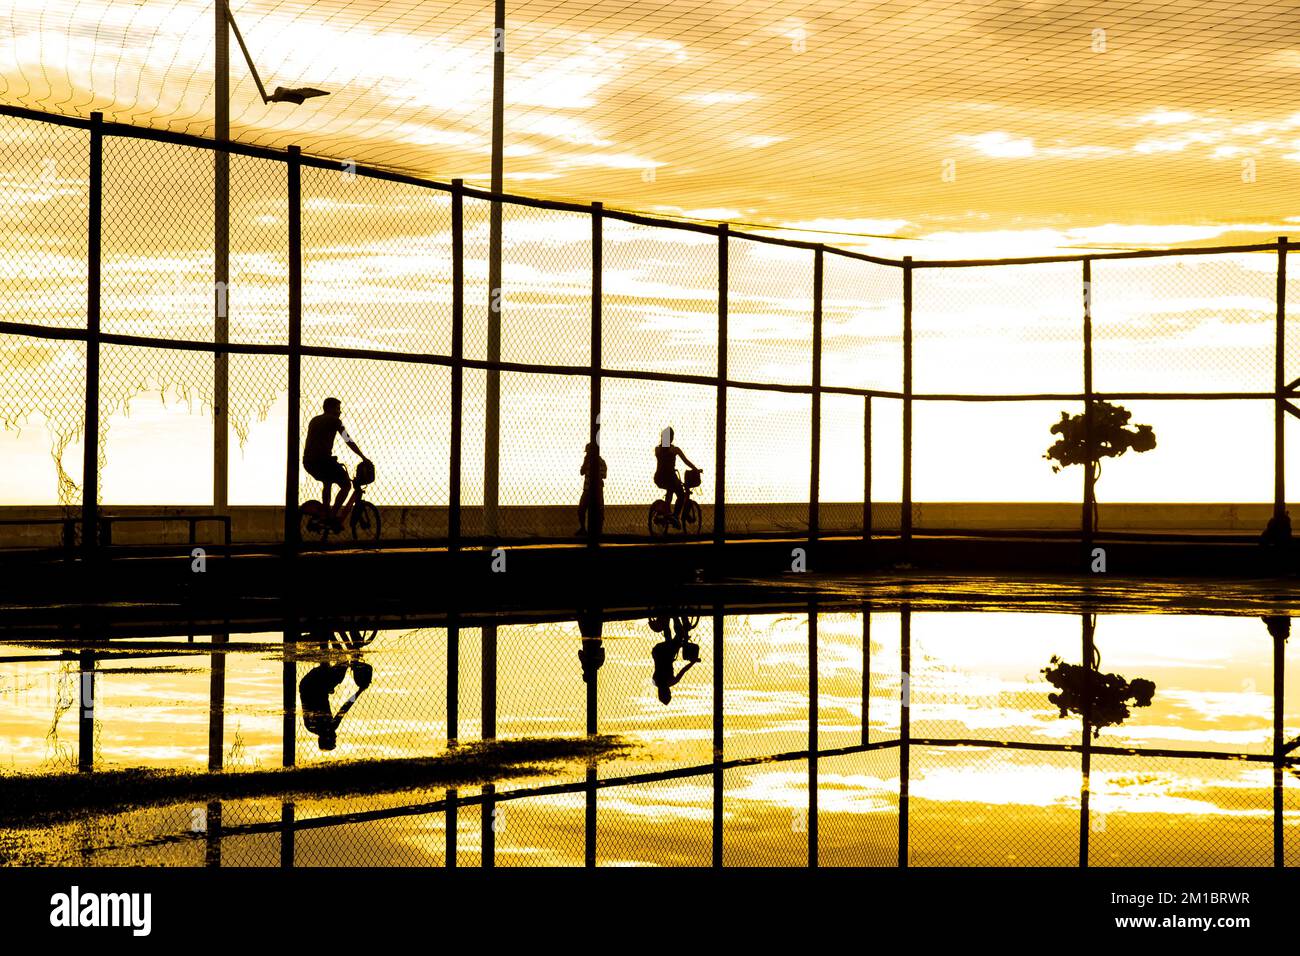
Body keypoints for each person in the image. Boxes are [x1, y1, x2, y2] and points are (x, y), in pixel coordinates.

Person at [303, 397, 369, 530]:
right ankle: (332, 516)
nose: (340, 412)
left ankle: (326, 514)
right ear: (329, 408)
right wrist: (363, 456)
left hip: (309, 461)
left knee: (327, 481)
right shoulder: (334, 421)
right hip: (323, 460)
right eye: (338, 408)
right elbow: (348, 440)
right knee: (346, 485)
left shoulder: (314, 420)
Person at [653, 427, 699, 528]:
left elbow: (663, 457)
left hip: (659, 477)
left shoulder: (657, 449)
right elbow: (686, 461)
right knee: (681, 495)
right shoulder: (674, 450)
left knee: (670, 490)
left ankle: (664, 512)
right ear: (671, 438)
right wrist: (695, 469)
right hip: (670, 477)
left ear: (662, 437)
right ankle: (675, 516)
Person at [577, 441, 607, 536]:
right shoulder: (587, 461)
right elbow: (582, 472)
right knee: (581, 509)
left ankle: (598, 531)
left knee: (599, 511)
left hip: (597, 491)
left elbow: (603, 475)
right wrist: (585, 462)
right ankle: (583, 528)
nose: (587, 454)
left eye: (589, 452)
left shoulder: (601, 461)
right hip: (586, 489)